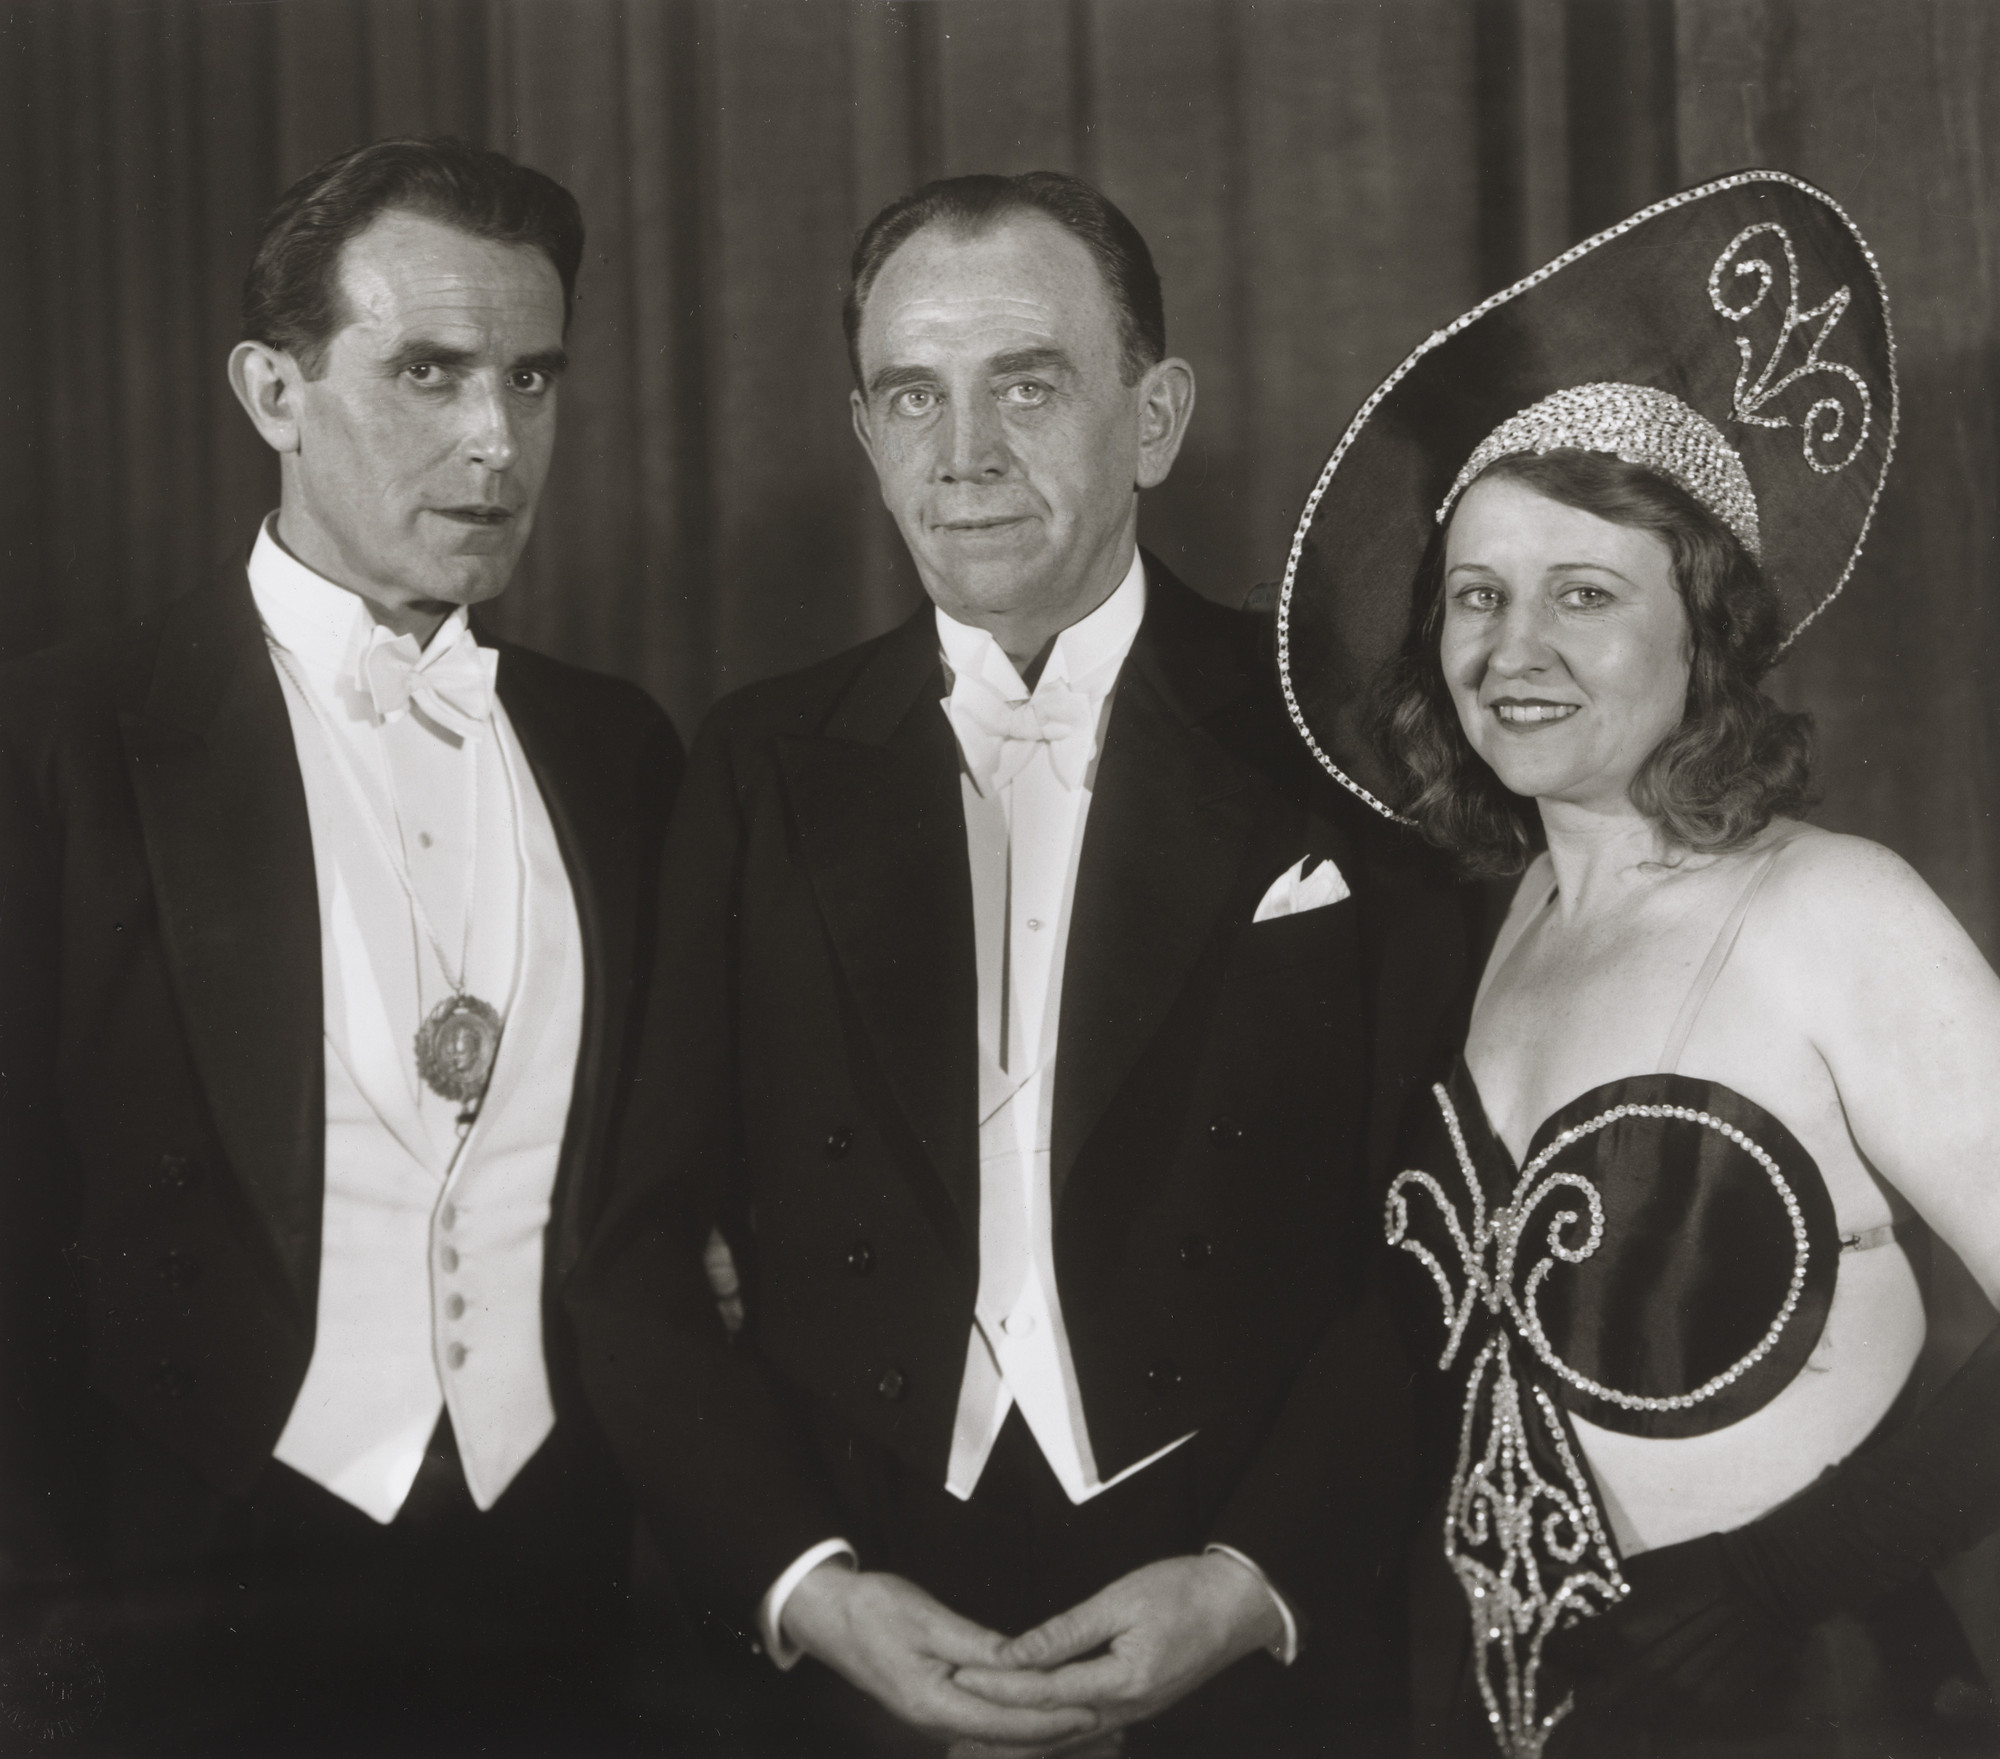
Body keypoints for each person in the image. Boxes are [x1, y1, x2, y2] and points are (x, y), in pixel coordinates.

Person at [569, 170, 1475, 1757]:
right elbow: (631, 1252)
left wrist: (1251, 1579)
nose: (965, 452)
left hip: (1239, 1596)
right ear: (866, 436)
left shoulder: (1341, 743)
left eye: (1029, 386)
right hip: (861, 1592)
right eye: (913, 396)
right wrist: (810, 1588)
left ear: (1155, 420)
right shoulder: (758, 762)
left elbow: (1435, 1236)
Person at [1277, 170, 2000, 1757]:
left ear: (1705, 631)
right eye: (1476, 596)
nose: (1511, 649)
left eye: (1585, 595)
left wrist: (1788, 1580)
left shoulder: (1832, 911)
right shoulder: (1502, 924)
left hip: (1799, 1706)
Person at [0, 138, 686, 1754]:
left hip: (561, 1602)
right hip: (172, 1618)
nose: (494, 440)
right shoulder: (59, 742)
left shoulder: (620, 751)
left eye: (531, 377)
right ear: (274, 392)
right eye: (426, 372)